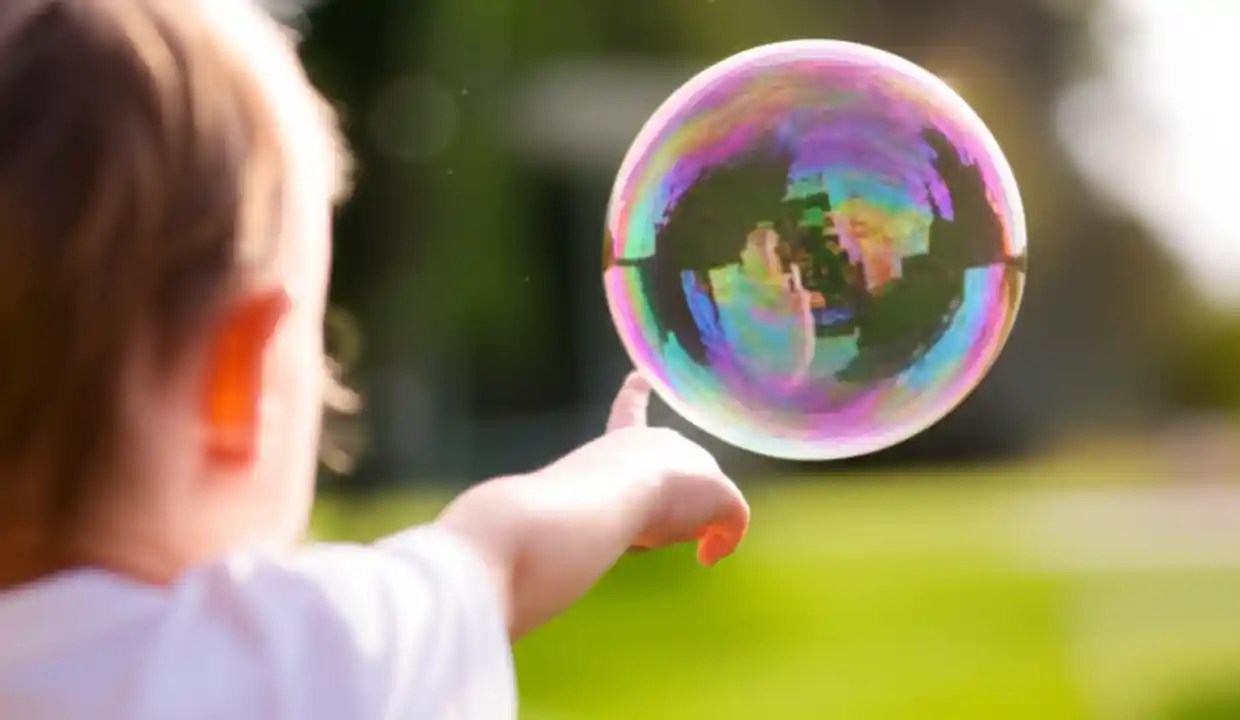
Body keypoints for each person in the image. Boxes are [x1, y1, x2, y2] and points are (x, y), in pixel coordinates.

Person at [0, 1, 750, 718]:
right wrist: (632, 476)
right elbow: (505, 559)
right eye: (316, 351)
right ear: (238, 384)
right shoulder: (294, 659)